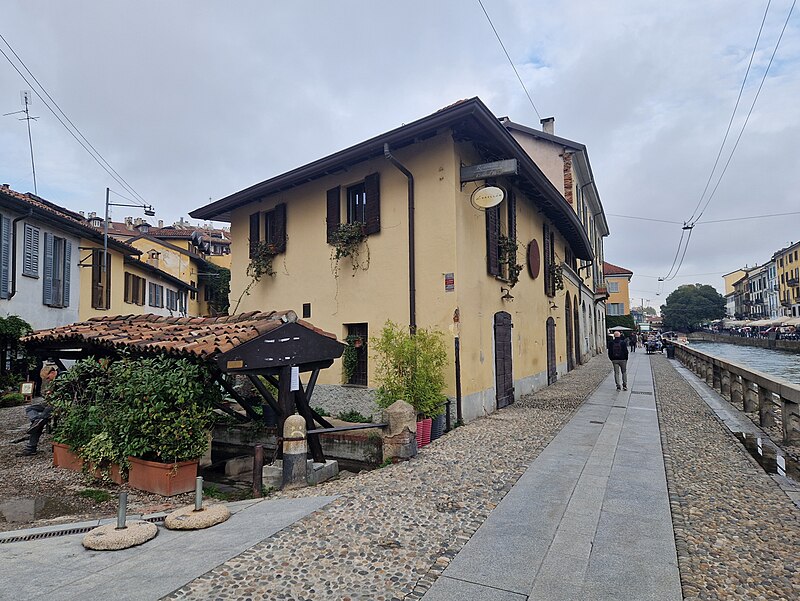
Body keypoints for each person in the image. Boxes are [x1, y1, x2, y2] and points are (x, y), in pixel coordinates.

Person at [16, 363, 57, 457]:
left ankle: (31, 447)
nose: (48, 380)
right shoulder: (53, 381)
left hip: (58, 404)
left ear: (53, 372)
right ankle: (36, 420)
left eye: (48, 378)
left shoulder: (63, 377)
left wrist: (53, 393)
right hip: (49, 403)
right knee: (30, 409)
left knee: (40, 420)